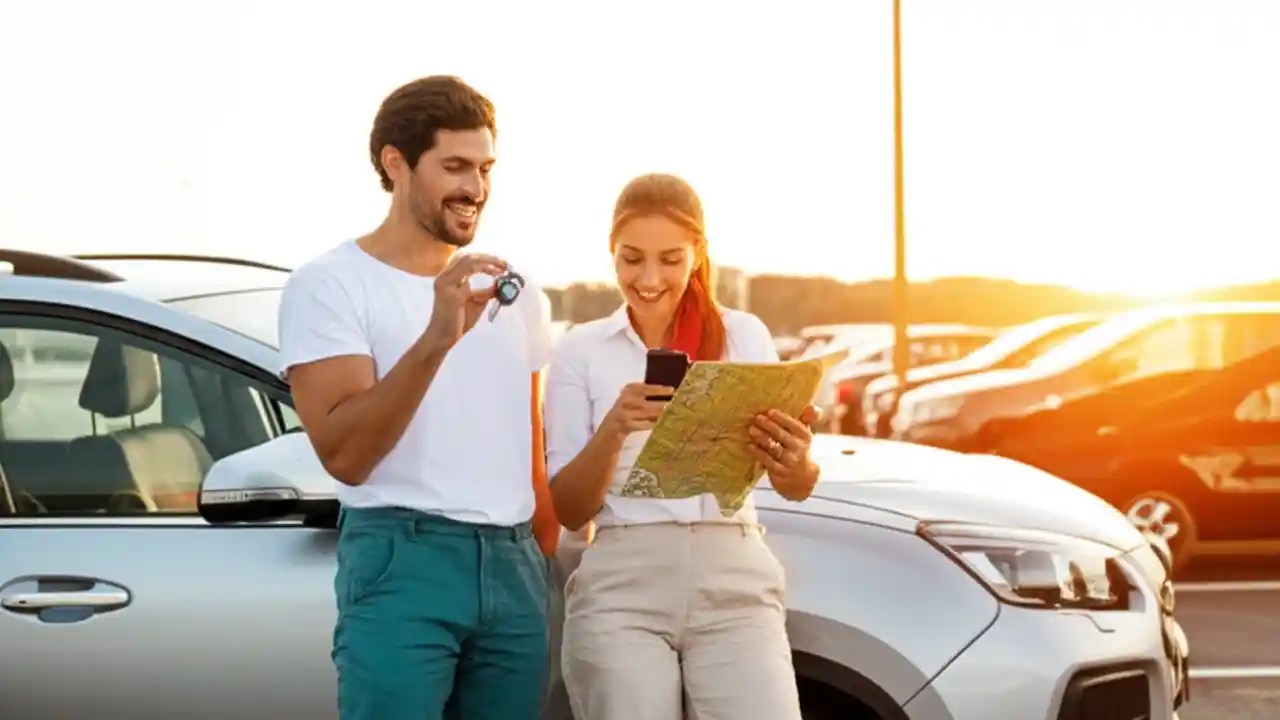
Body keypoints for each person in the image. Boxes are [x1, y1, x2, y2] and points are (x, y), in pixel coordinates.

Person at [277, 75, 558, 720]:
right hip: (402, 562)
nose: (476, 188)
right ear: (395, 163)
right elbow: (346, 454)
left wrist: (543, 561)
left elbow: (531, 447)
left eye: (485, 167)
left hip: (514, 568)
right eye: (455, 166)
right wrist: (438, 336)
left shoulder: (516, 289)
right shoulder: (330, 285)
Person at [544, 172, 821, 720]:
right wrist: (614, 429)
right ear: (611, 254)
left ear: (697, 255)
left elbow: (797, 486)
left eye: (670, 259)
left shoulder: (745, 336)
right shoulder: (581, 350)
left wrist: (796, 460)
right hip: (624, 585)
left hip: (735, 577)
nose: (648, 278)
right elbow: (571, 510)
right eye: (631, 258)